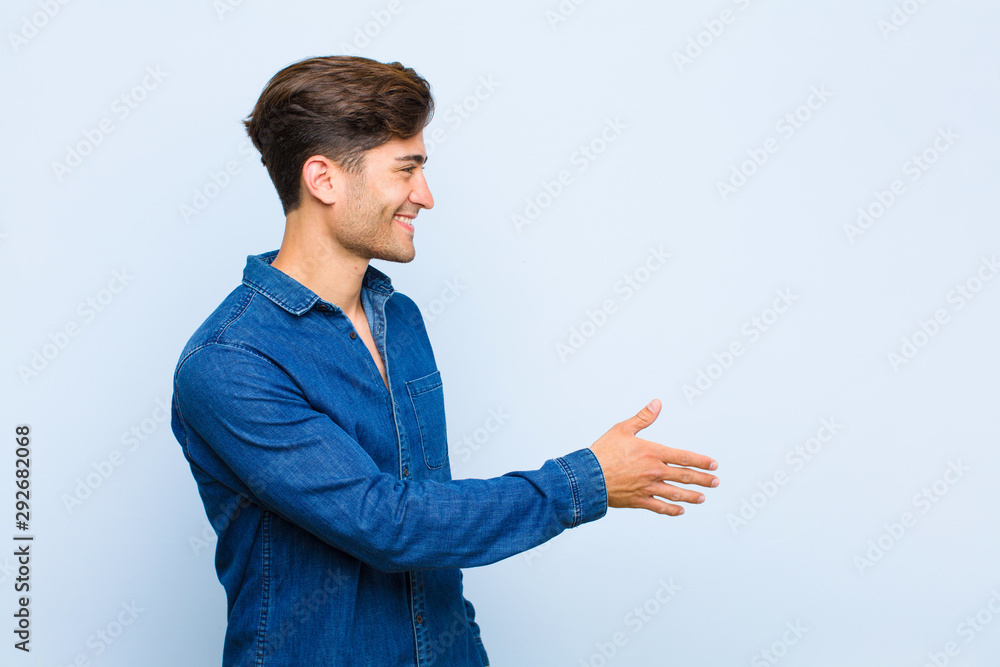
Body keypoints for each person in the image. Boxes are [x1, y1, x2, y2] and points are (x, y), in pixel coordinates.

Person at [169, 54, 719, 667]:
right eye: (406, 170)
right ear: (323, 180)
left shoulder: (400, 321)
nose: (425, 196)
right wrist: (584, 480)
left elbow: (433, 527)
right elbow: (387, 525)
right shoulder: (230, 362)